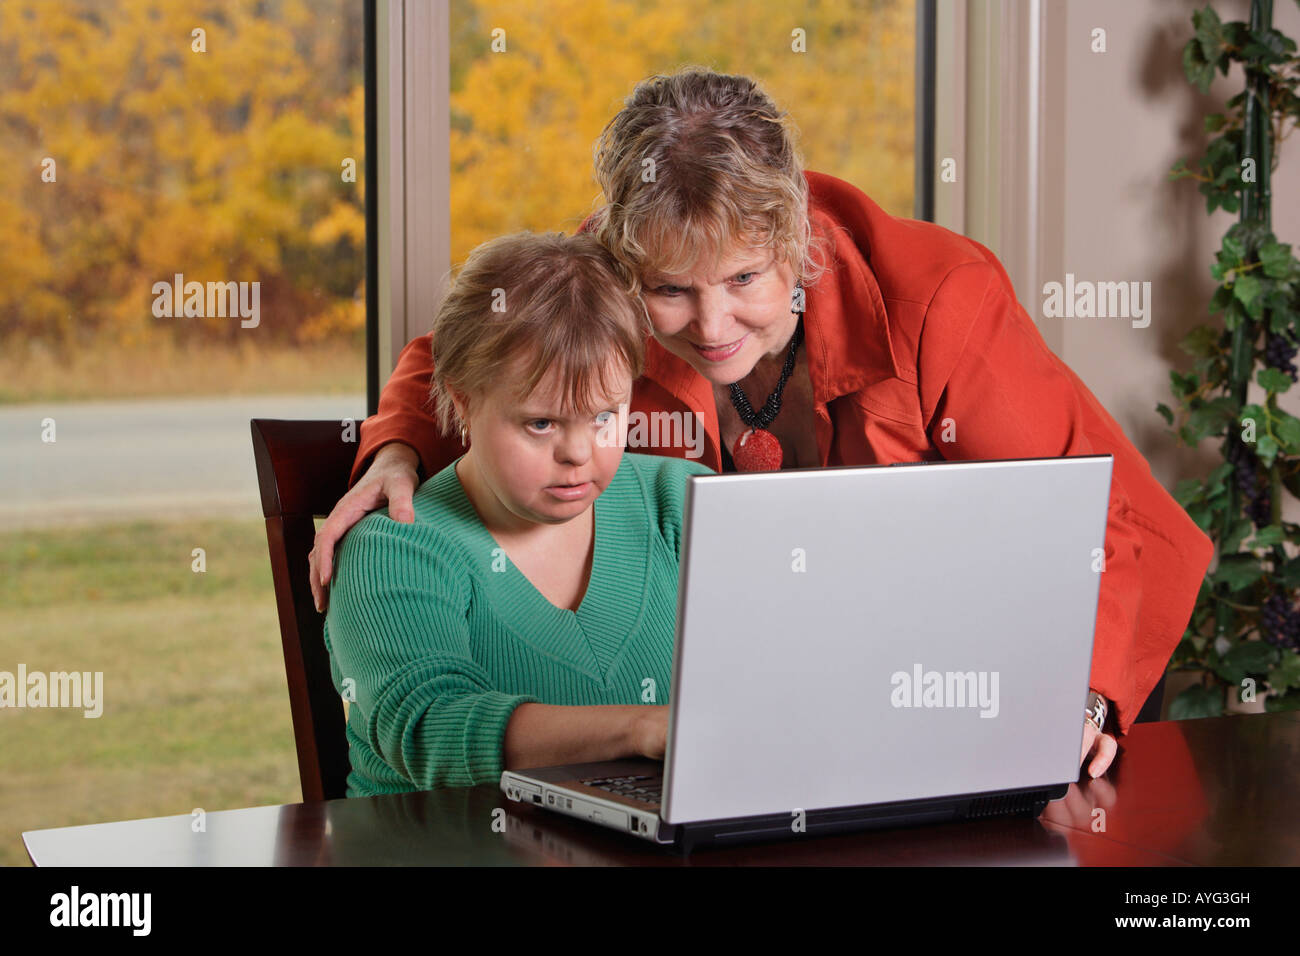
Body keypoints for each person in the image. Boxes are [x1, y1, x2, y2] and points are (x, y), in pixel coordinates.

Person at [312, 67, 1214, 780]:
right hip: (784, 707)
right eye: (669, 290)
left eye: (744, 280)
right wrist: (397, 441)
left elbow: (1088, 516)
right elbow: (489, 340)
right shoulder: (626, 259)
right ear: (629, 266)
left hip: (979, 658)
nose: (710, 327)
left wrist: (1079, 700)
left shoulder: (939, 298)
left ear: (797, 242)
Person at [323, 231, 712, 795]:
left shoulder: (682, 502)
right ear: (463, 401)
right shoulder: (393, 547)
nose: (578, 453)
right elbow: (429, 728)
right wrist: (644, 727)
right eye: (541, 423)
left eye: (605, 416)